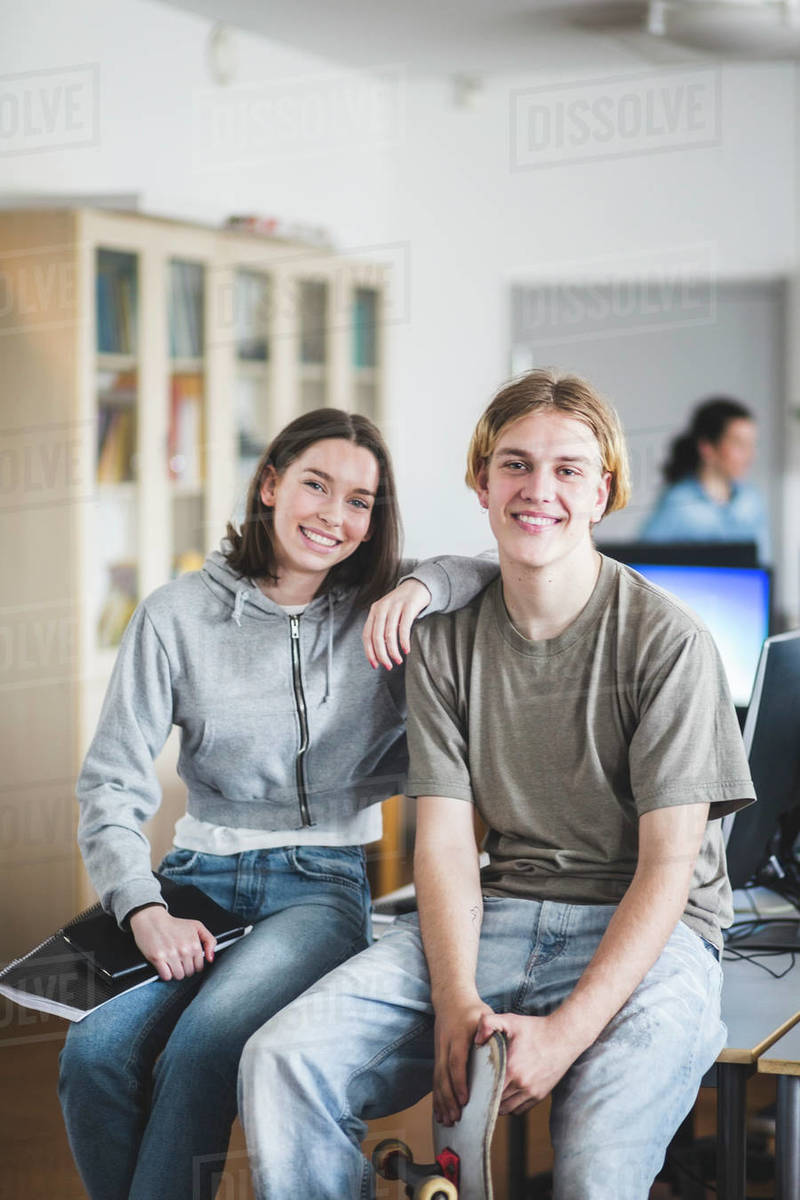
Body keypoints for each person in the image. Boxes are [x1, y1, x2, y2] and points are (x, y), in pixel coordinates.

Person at [238, 370, 756, 1200]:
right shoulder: (443, 643)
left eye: (567, 471)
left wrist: (563, 1035)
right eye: (514, 465)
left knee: (594, 1170)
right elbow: (443, 839)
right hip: (501, 912)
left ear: (604, 492)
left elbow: (667, 870)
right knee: (283, 1060)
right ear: (481, 482)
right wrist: (454, 997)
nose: (537, 490)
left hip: (655, 938)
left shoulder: (669, 644)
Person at [58, 407, 498, 1200]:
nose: (333, 515)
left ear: (373, 522)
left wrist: (421, 586)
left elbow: (494, 568)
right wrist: (141, 908)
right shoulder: (176, 614)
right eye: (315, 485)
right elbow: (111, 785)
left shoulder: (382, 604)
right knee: (93, 1053)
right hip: (195, 879)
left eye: (359, 501)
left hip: (318, 885)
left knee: (203, 1050)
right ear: (270, 485)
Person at [640, 395, 770, 561]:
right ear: (707, 447)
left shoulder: (752, 500)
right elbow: (645, 561)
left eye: (751, 444)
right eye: (738, 444)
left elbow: (763, 563)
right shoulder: (679, 503)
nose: (749, 455)